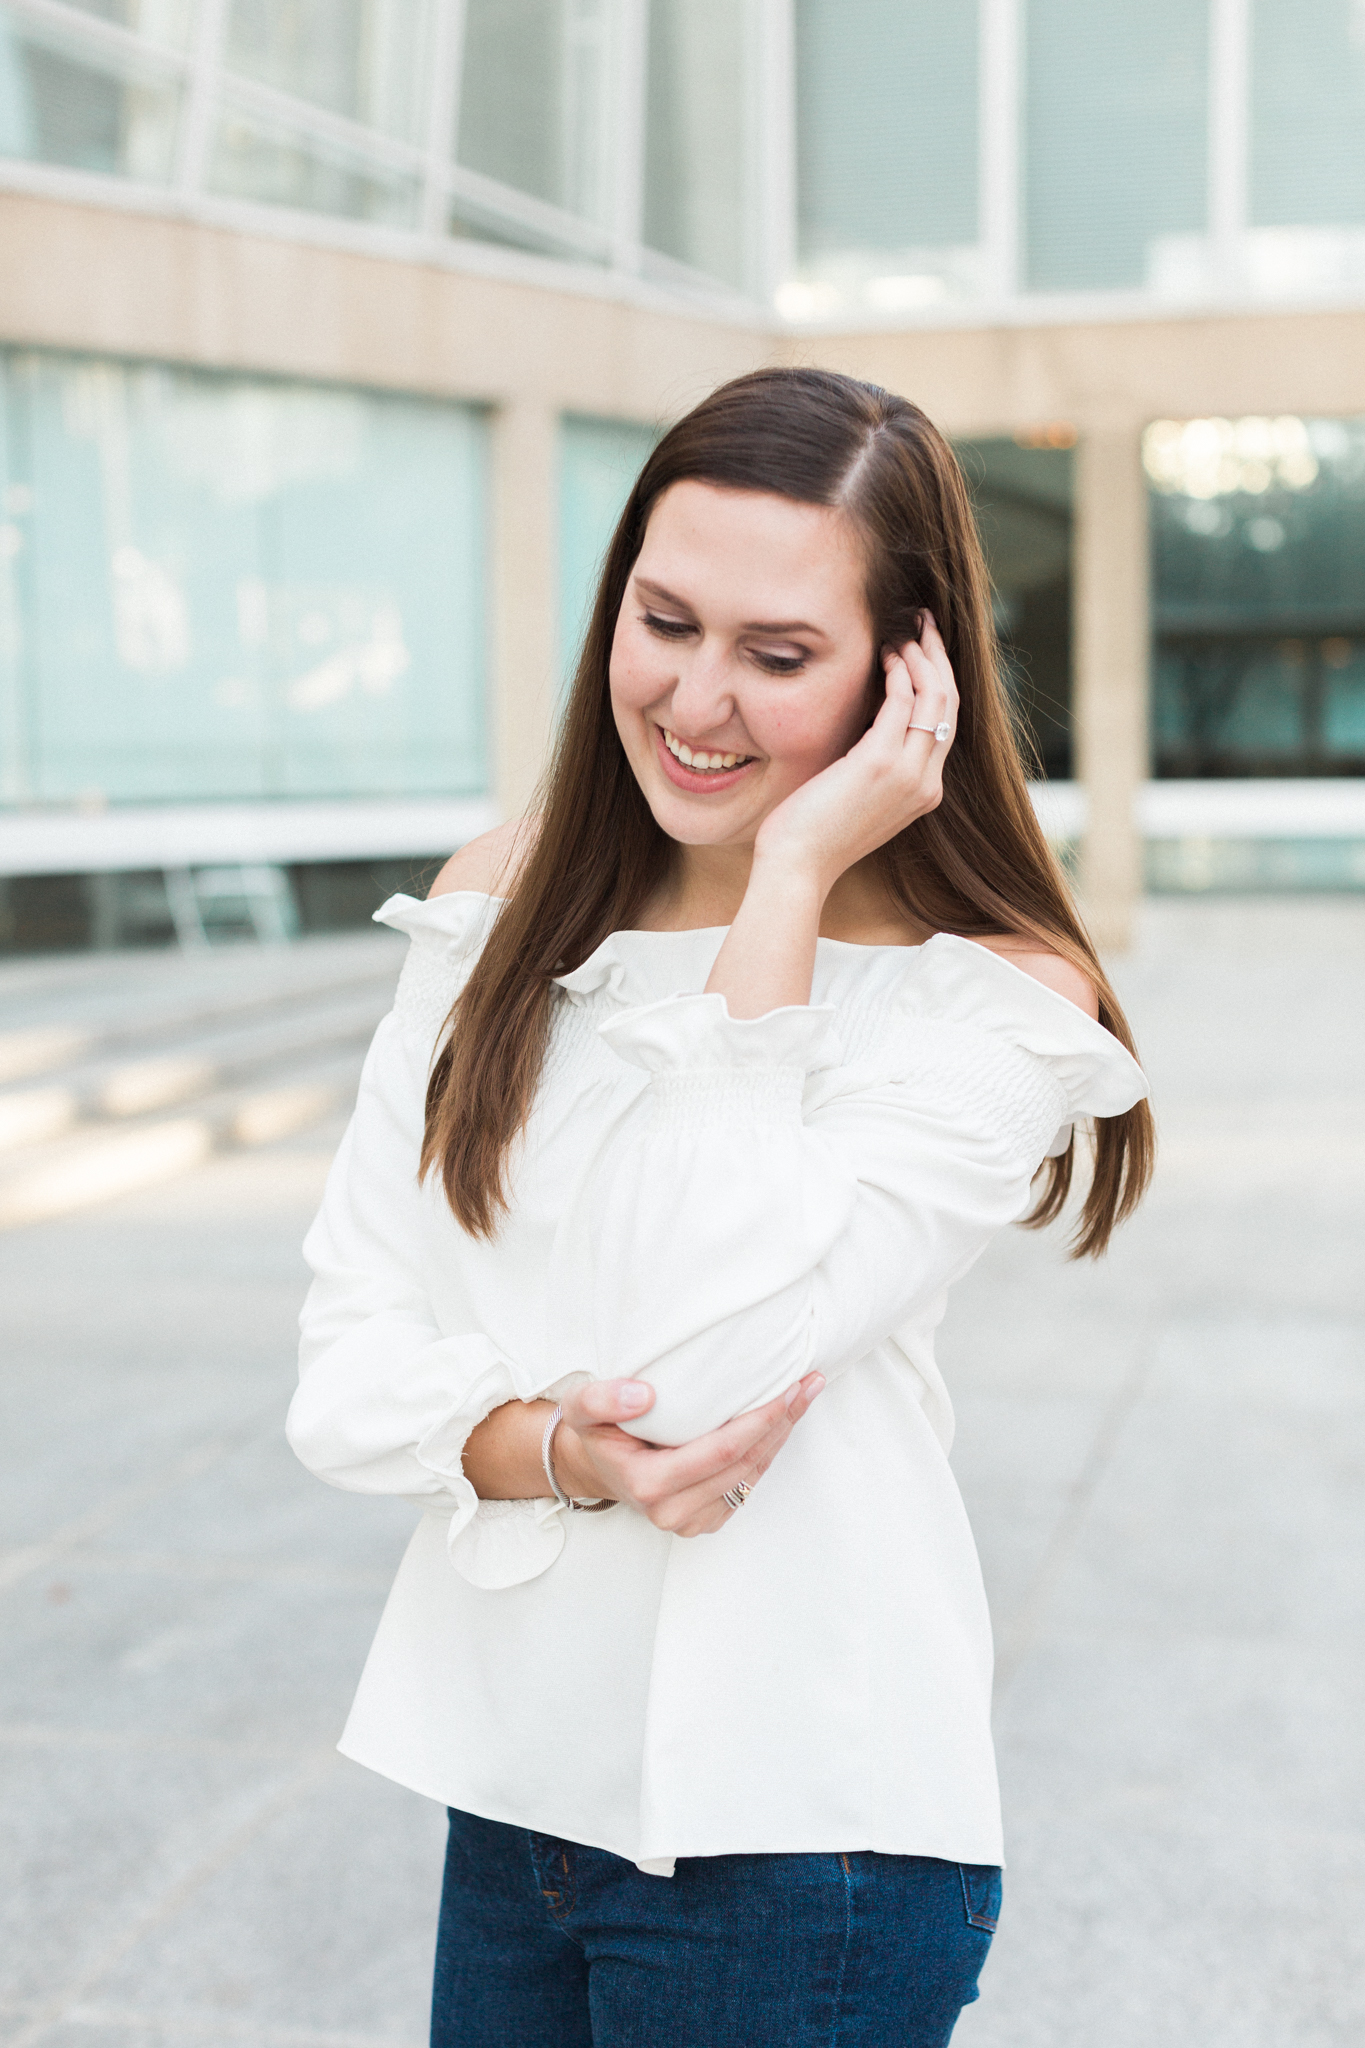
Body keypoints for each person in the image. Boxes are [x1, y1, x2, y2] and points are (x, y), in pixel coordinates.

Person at [287, 367, 1153, 2048]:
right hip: (520, 1796)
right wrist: (555, 1450)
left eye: (777, 657)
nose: (694, 701)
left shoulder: (988, 997)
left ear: (911, 677)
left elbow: (713, 1354)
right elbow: (345, 1361)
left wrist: (785, 886)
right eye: (663, 622)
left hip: (798, 1829)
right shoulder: (497, 911)